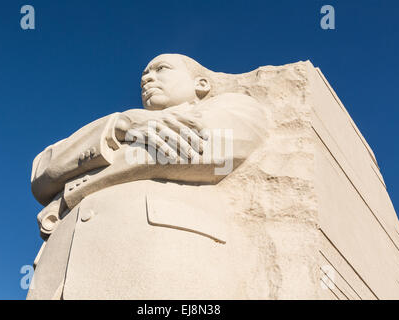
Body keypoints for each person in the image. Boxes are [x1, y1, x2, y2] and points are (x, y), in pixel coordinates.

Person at [28, 54, 269, 299]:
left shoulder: (234, 105)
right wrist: (121, 125)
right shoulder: (119, 124)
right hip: (59, 274)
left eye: (160, 69)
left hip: (160, 260)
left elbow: (206, 151)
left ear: (201, 84)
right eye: (144, 74)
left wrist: (71, 189)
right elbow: (42, 174)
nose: (147, 78)